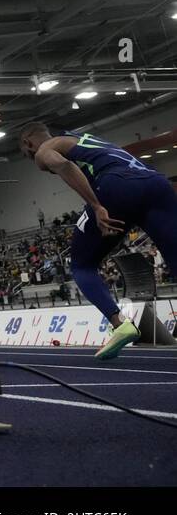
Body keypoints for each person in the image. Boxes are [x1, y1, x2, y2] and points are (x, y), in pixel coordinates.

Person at [18, 123, 177, 360]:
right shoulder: (82, 138)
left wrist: (96, 206)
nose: (33, 160)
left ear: (28, 143)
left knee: (81, 265)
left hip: (116, 185)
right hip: (156, 183)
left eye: (26, 155)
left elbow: (62, 164)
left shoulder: (45, 149)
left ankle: (120, 323)